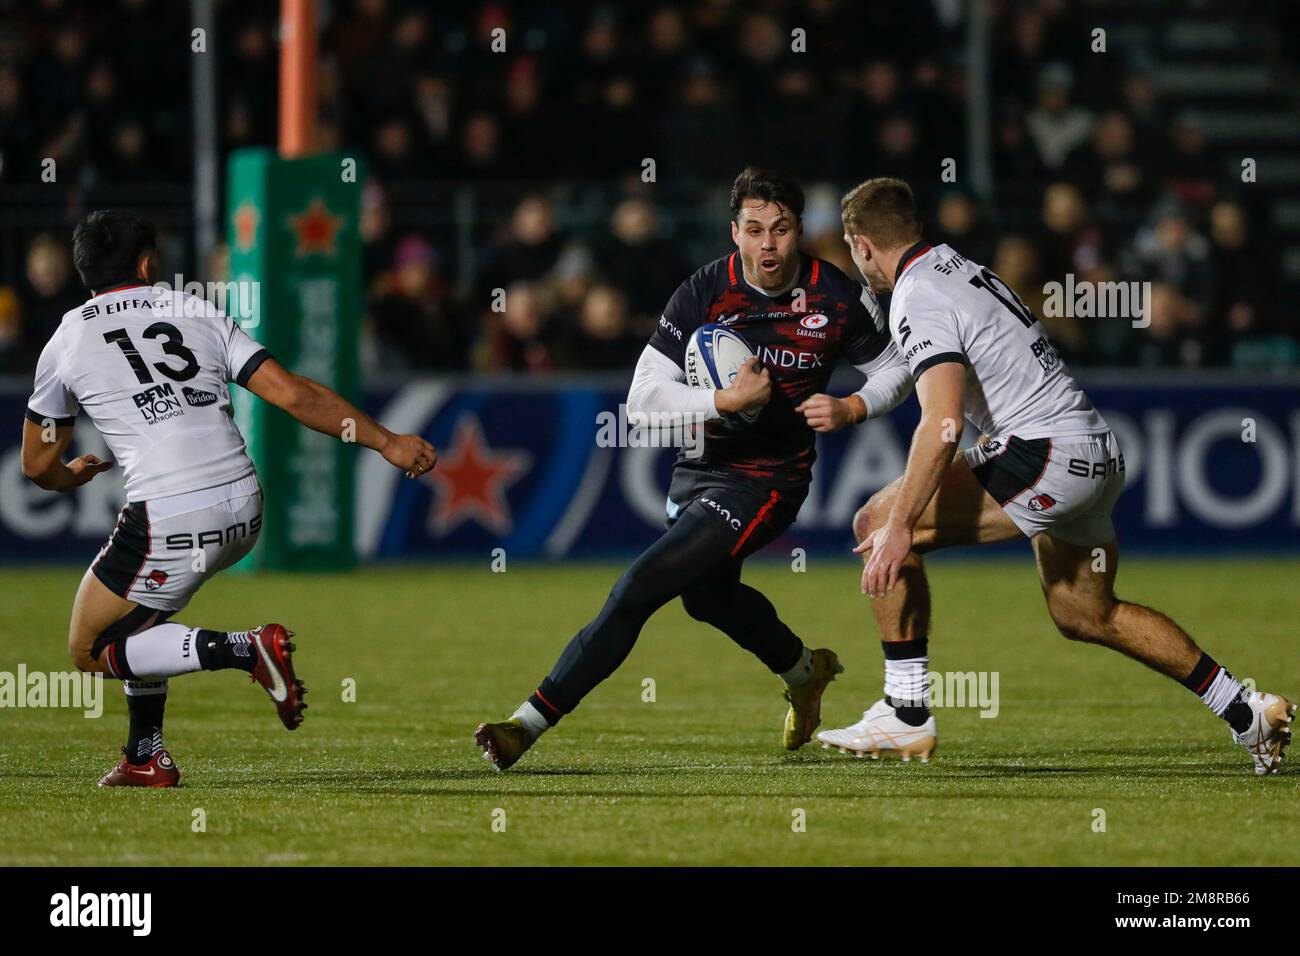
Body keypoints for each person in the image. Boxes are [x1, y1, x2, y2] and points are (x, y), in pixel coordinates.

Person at [821, 177, 1293, 774]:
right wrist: (858, 406)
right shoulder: (959, 268)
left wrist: (901, 528)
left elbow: (941, 425)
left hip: (1043, 451)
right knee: (1085, 613)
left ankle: (905, 714)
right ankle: (1247, 709)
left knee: (880, 520)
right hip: (1093, 450)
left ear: (862, 245)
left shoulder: (917, 294)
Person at [474, 167, 914, 770]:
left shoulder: (835, 295)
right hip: (699, 469)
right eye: (755, 229)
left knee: (640, 585)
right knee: (706, 597)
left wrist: (853, 406)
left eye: (781, 229)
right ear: (735, 233)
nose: (768, 244)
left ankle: (524, 726)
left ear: (798, 231)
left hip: (769, 479)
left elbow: (896, 368)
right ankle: (804, 670)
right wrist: (723, 402)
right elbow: (643, 399)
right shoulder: (705, 290)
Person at [20, 209, 437, 787]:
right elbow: (293, 394)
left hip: (171, 513)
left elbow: (37, 462)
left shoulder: (67, 337)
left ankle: (244, 650)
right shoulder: (195, 309)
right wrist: (386, 441)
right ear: (147, 264)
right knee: (145, 623)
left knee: (89, 648)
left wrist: (69, 478)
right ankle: (145, 754)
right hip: (243, 505)